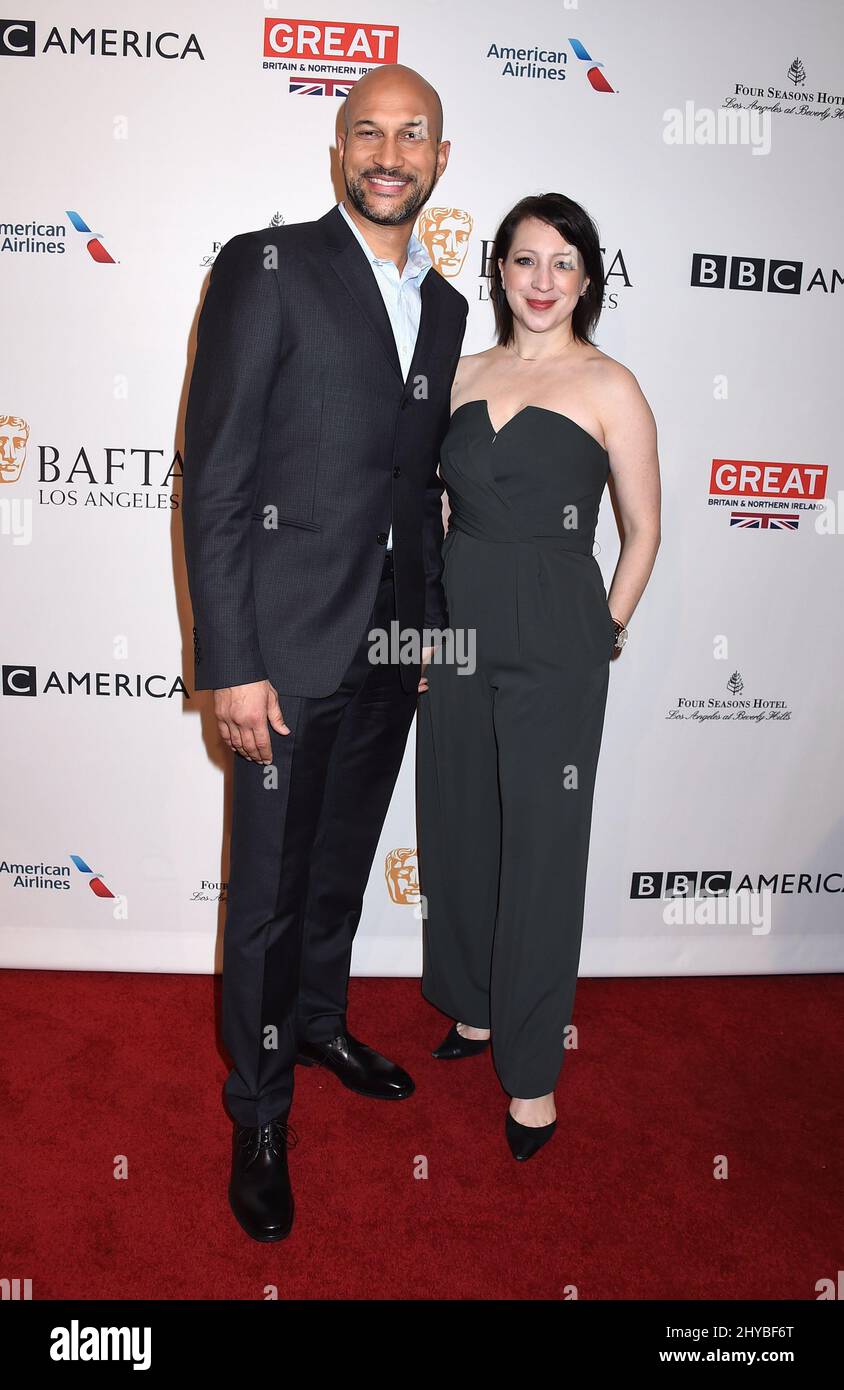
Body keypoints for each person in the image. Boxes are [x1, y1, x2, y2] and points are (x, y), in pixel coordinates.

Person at [182, 64, 468, 1240]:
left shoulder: (448, 307)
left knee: (341, 862)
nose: (389, 153)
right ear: (336, 150)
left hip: (394, 637)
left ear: (440, 160)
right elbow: (216, 474)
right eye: (368, 133)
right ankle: (258, 1109)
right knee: (264, 893)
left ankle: (315, 1019)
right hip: (285, 648)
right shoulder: (269, 266)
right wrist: (230, 658)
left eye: (412, 136)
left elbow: (413, 478)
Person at [416, 192, 661, 1160]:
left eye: (563, 263)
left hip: (559, 637)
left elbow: (643, 531)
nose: (543, 281)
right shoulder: (462, 372)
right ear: (500, 272)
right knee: (461, 820)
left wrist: (602, 629)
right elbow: (433, 517)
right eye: (525, 261)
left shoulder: (611, 385)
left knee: (544, 850)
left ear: (588, 278)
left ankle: (529, 1071)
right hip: (464, 628)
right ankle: (471, 1006)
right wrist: (429, 632)